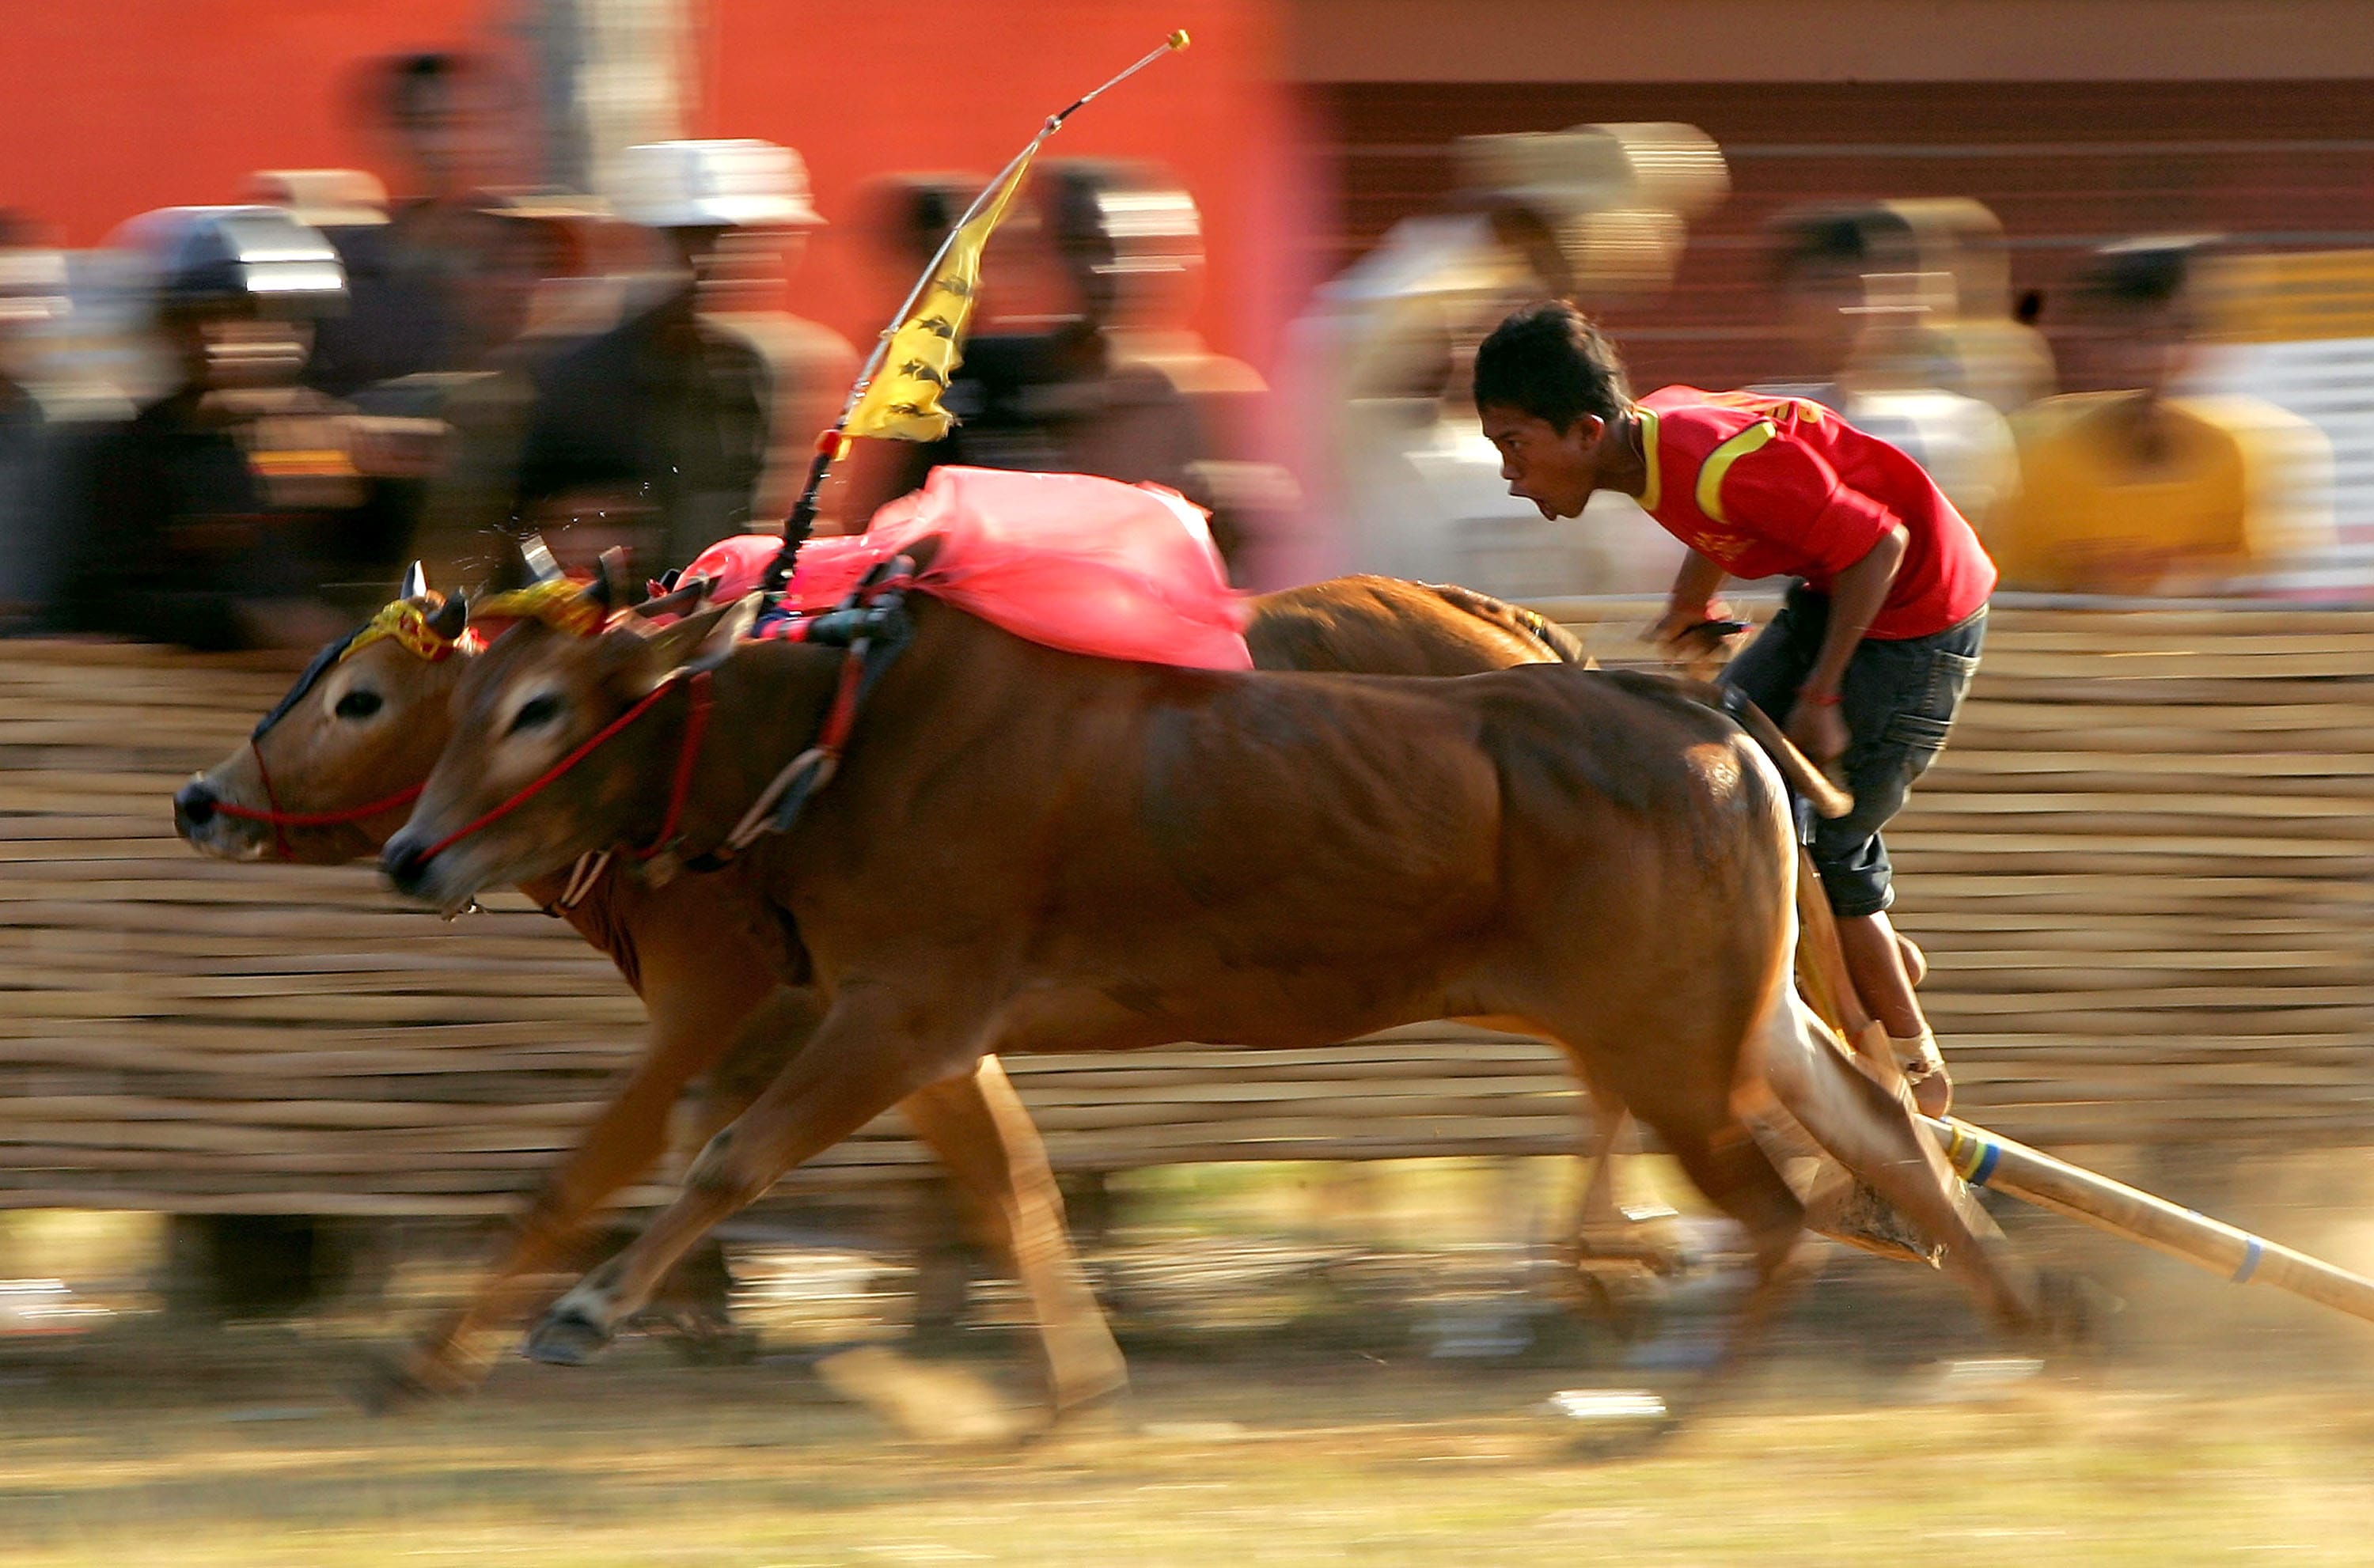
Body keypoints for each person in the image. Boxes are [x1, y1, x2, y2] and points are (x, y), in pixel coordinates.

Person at [1474, 300, 1996, 1116]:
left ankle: (1915, 1063)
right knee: (1728, 772)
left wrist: (1824, 693)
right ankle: (1874, 954)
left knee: (1817, 840)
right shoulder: (1646, 443)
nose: (1510, 473)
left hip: (1915, 615)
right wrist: (1691, 607)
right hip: (1836, 590)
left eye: (1514, 446)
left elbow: (1881, 545)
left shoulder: (1706, 460)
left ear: (1583, 432)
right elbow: (1721, 519)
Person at [1989, 237, 2332, 594]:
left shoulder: (2261, 451)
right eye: (2133, 336)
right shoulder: (2033, 454)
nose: (2157, 359)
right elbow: (2013, 600)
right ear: (2091, 339)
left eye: (2180, 334)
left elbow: (2265, 596)